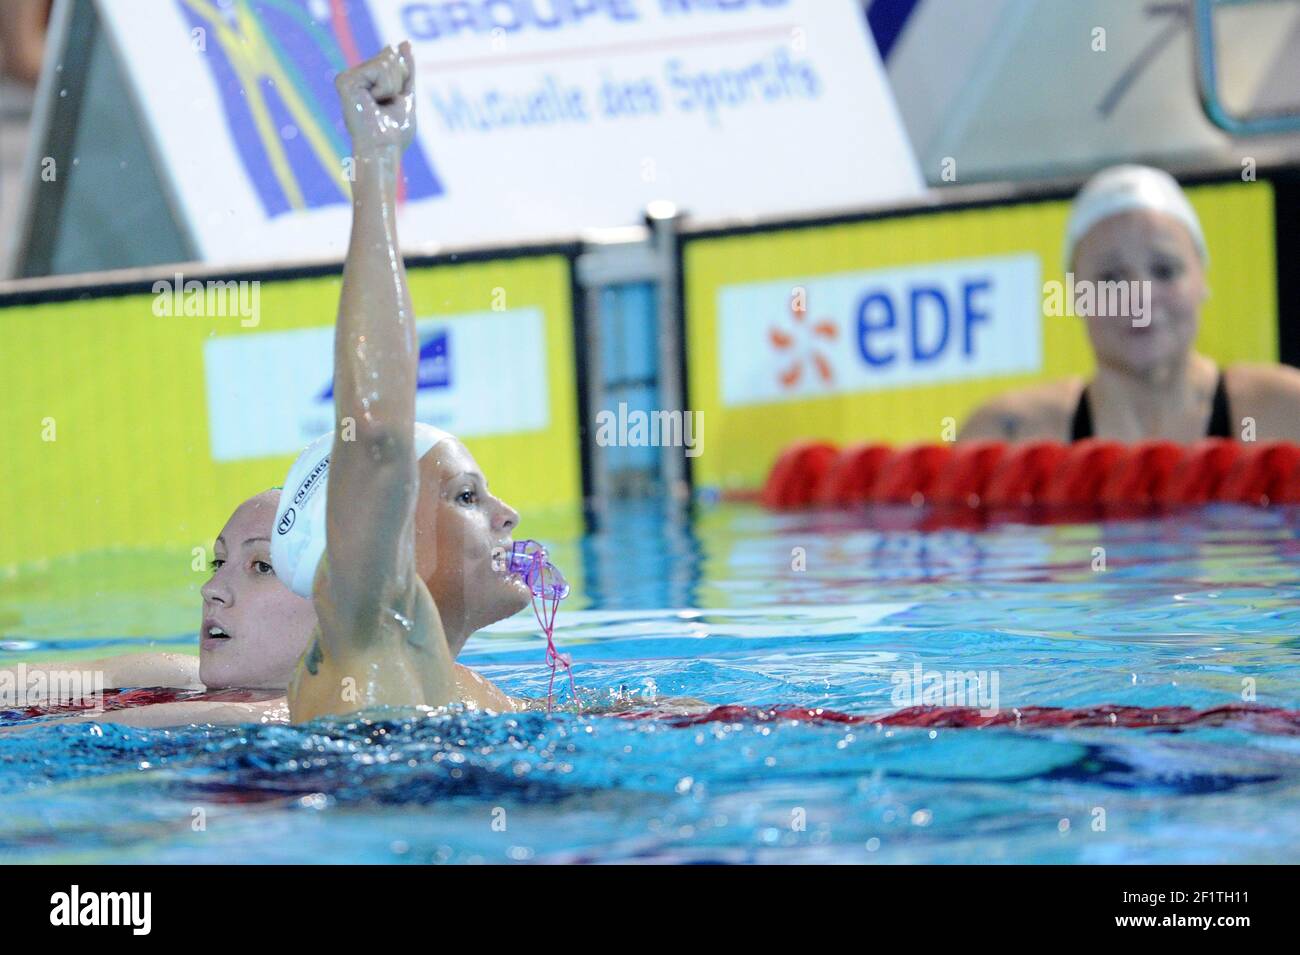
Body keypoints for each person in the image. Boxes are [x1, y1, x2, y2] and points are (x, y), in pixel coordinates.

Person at [277, 42, 532, 724]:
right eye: (465, 495)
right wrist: (378, 162)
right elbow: (379, 433)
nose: (507, 515)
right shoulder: (367, 627)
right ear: (385, 528)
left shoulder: (474, 694)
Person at [959, 164, 1300, 444]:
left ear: (1202, 280)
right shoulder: (1009, 437)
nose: (1139, 297)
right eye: (1110, 279)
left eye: (1165, 271)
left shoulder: (1286, 414)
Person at [1, 490, 315, 729]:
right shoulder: (174, 676)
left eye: (262, 566)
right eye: (218, 562)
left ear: (334, 608)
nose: (212, 588)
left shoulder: (293, 717)